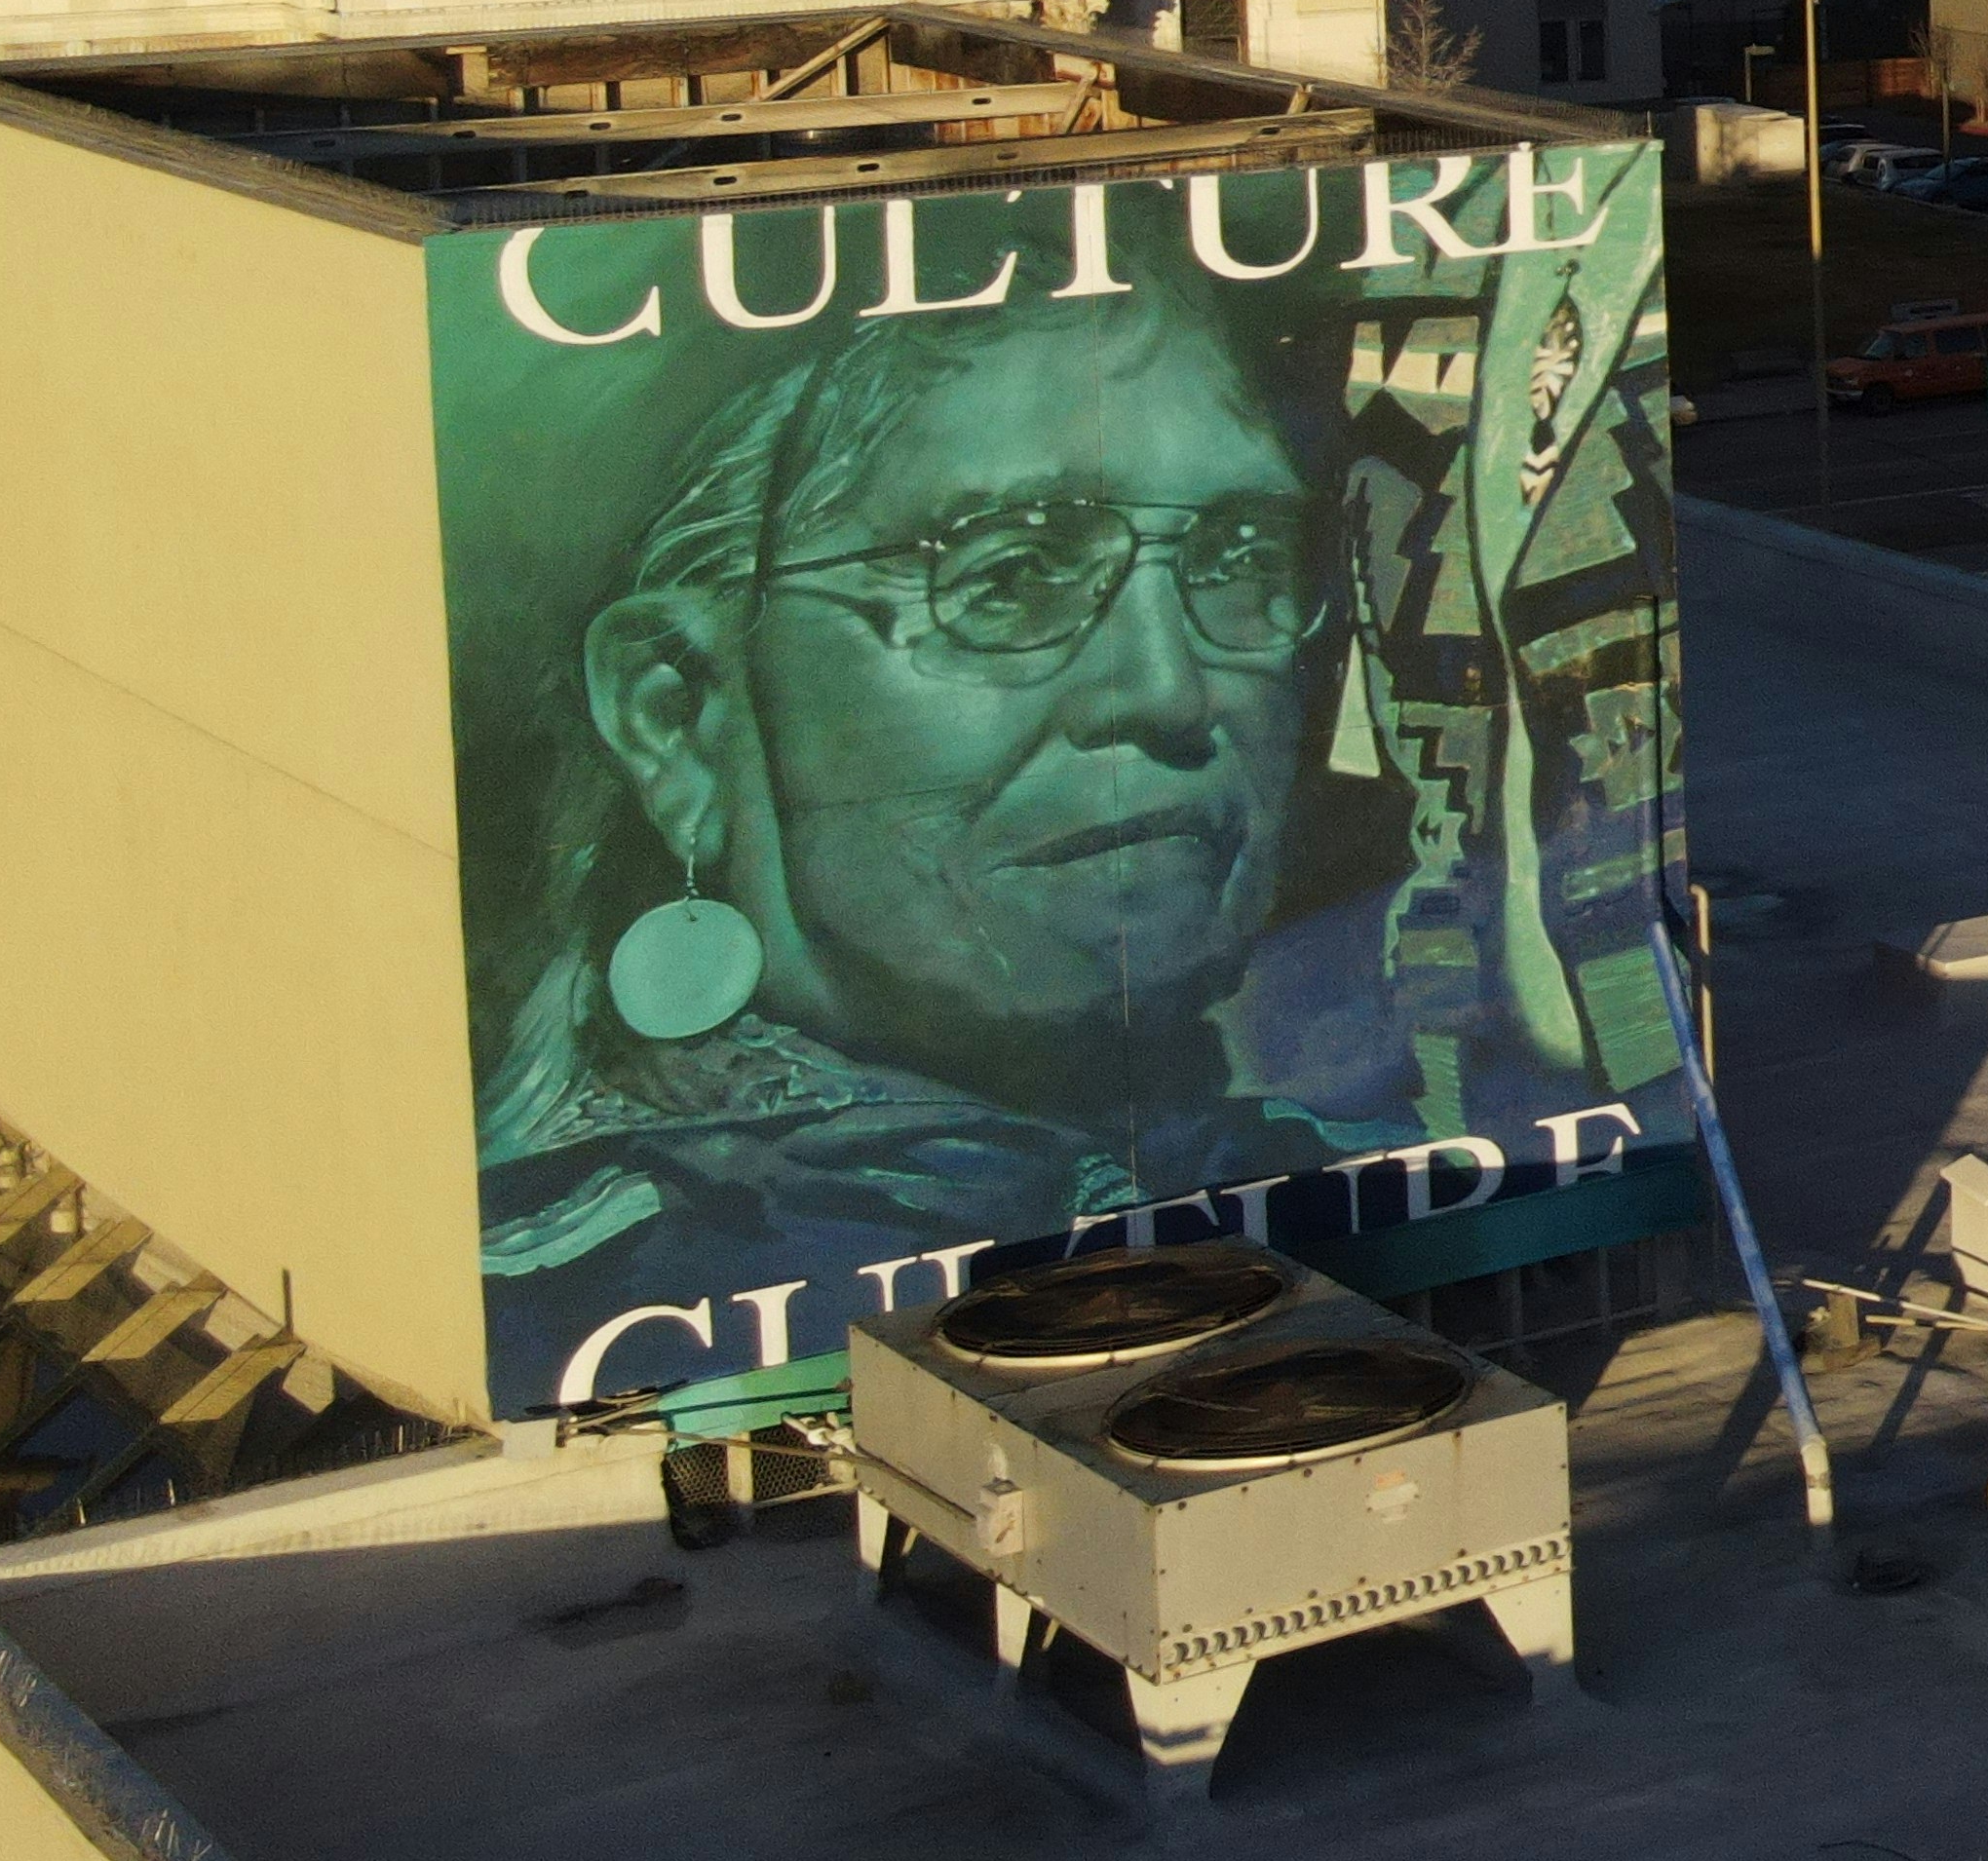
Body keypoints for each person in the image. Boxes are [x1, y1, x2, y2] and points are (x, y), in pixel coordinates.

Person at [479, 294, 1391, 1342]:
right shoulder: (571, 1308)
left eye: (1241, 562)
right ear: (676, 715)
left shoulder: (1379, 1184)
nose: (1168, 689)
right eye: (1005, 577)